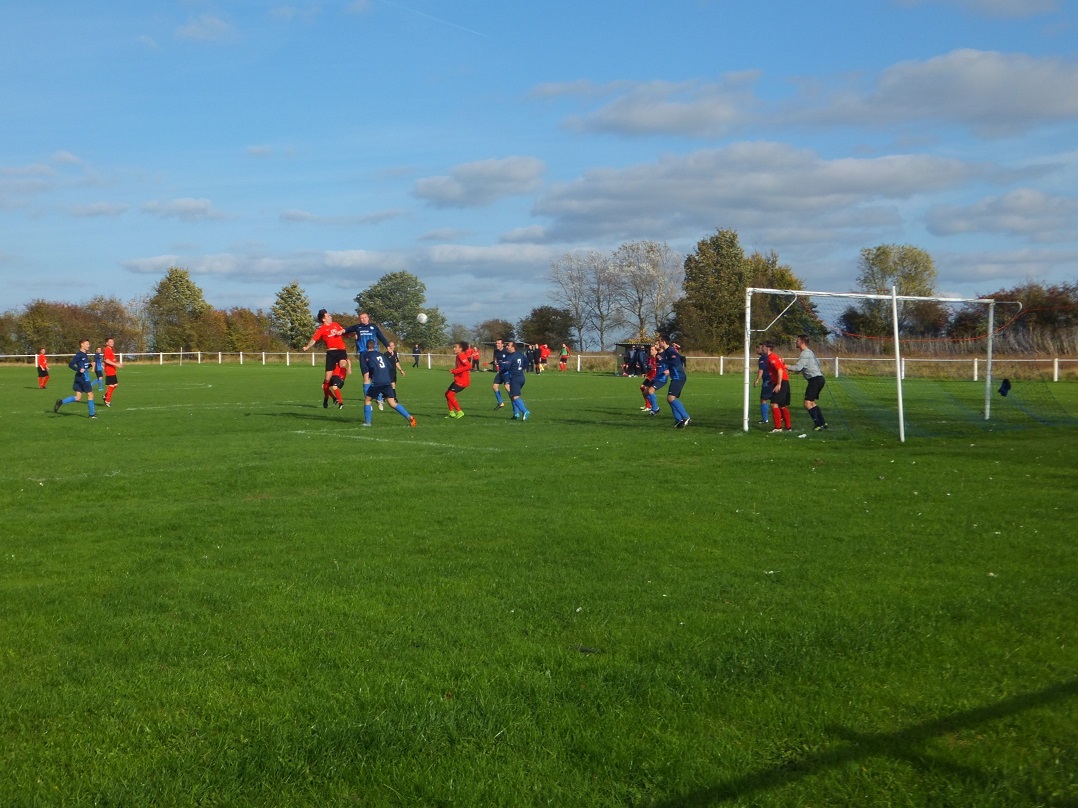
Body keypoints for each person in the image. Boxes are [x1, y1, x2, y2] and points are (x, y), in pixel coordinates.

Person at [360, 340, 416, 427]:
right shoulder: (381, 354)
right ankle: (409, 417)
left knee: (367, 400)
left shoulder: (367, 355)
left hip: (378, 381)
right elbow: (390, 367)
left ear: (366, 346)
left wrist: (371, 375)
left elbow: (370, 367)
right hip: (387, 381)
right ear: (375, 346)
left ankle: (368, 422)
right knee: (392, 403)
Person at [302, 309, 350, 407]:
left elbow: (344, 333)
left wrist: (352, 334)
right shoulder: (321, 329)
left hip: (341, 351)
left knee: (343, 364)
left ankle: (341, 380)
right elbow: (314, 339)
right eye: (328, 316)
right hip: (331, 353)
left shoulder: (336, 324)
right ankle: (326, 397)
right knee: (327, 379)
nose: (330, 317)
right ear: (324, 319)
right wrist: (307, 347)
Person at [343, 312, 390, 400]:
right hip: (363, 354)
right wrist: (345, 333)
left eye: (365, 317)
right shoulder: (357, 327)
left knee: (376, 376)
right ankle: (367, 398)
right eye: (361, 318)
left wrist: (387, 346)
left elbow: (381, 337)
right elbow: (345, 331)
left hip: (374, 354)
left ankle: (379, 398)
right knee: (366, 376)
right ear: (359, 319)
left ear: (368, 318)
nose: (363, 319)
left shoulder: (374, 327)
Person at [789, 334, 828, 431]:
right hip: (819, 379)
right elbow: (802, 368)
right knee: (812, 403)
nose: (796, 342)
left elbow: (798, 368)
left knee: (807, 403)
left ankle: (818, 425)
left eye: (797, 341)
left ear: (802, 342)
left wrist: (784, 366)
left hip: (815, 379)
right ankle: (823, 423)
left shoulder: (805, 353)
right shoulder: (810, 352)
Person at [54, 339, 96, 419]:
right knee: (90, 394)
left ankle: (61, 402)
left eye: (89, 344)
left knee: (78, 397)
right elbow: (71, 364)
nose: (89, 346)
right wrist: (78, 369)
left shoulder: (85, 355)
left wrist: (90, 365)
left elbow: (83, 366)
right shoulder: (79, 355)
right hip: (84, 378)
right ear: (82, 344)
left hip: (79, 377)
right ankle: (92, 414)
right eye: (87, 344)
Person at [657, 337, 691, 428]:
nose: (658, 343)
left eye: (659, 342)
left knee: (671, 398)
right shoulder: (668, 351)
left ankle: (685, 417)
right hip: (676, 377)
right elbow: (680, 358)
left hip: (678, 377)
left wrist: (662, 360)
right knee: (670, 399)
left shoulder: (670, 351)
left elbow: (675, 361)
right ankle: (678, 420)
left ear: (663, 342)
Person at [763, 342, 792, 433]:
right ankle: (788, 427)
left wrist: (779, 384)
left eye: (763, 347)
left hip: (781, 382)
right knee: (782, 405)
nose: (762, 348)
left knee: (774, 404)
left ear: (767, 348)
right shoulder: (773, 357)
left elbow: (780, 370)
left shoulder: (772, 357)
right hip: (784, 381)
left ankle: (778, 428)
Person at [499, 341, 531, 420]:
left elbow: (507, 367)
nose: (506, 347)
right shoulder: (520, 354)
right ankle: (516, 414)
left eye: (508, 345)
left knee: (515, 397)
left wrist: (502, 371)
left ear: (513, 347)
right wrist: (520, 369)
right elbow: (527, 362)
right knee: (513, 396)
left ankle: (525, 411)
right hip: (521, 378)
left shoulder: (510, 356)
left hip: (515, 378)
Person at [445, 341, 471, 418]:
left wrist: (455, 371)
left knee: (450, 395)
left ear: (460, 349)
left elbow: (469, 366)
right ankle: (452, 413)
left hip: (463, 381)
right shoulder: (458, 356)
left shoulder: (461, 355)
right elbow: (461, 367)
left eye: (456, 347)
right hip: (459, 379)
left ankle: (460, 412)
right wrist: (454, 370)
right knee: (447, 394)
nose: (454, 348)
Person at [380, 341, 406, 410]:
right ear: (388, 347)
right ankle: (394, 397)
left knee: (392, 385)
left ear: (394, 346)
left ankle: (383, 396)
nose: (391, 347)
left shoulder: (395, 353)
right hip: (388, 372)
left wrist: (401, 370)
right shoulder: (385, 354)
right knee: (392, 384)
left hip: (393, 372)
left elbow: (396, 362)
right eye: (390, 346)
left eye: (392, 346)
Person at [752, 343, 770, 425]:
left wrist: (757, 380)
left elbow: (761, 370)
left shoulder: (763, 358)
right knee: (776, 401)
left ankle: (765, 419)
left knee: (763, 399)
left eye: (759, 348)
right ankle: (780, 417)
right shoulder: (769, 357)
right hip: (773, 380)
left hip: (768, 381)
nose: (757, 349)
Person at [102, 337, 123, 407]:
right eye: (110, 342)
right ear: (106, 343)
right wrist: (116, 364)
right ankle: (107, 401)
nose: (112, 343)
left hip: (112, 370)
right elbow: (107, 360)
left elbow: (111, 360)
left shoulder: (111, 349)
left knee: (115, 385)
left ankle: (105, 396)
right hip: (109, 370)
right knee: (111, 385)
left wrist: (116, 363)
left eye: (112, 341)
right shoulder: (107, 349)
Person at [490, 338, 510, 409]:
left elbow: (509, 361)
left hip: (507, 372)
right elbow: (496, 360)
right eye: (496, 343)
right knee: (495, 386)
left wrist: (503, 362)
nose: (497, 344)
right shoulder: (496, 351)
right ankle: (501, 403)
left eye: (498, 343)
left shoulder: (506, 351)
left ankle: (515, 400)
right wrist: (496, 362)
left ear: (502, 344)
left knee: (507, 388)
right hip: (501, 372)